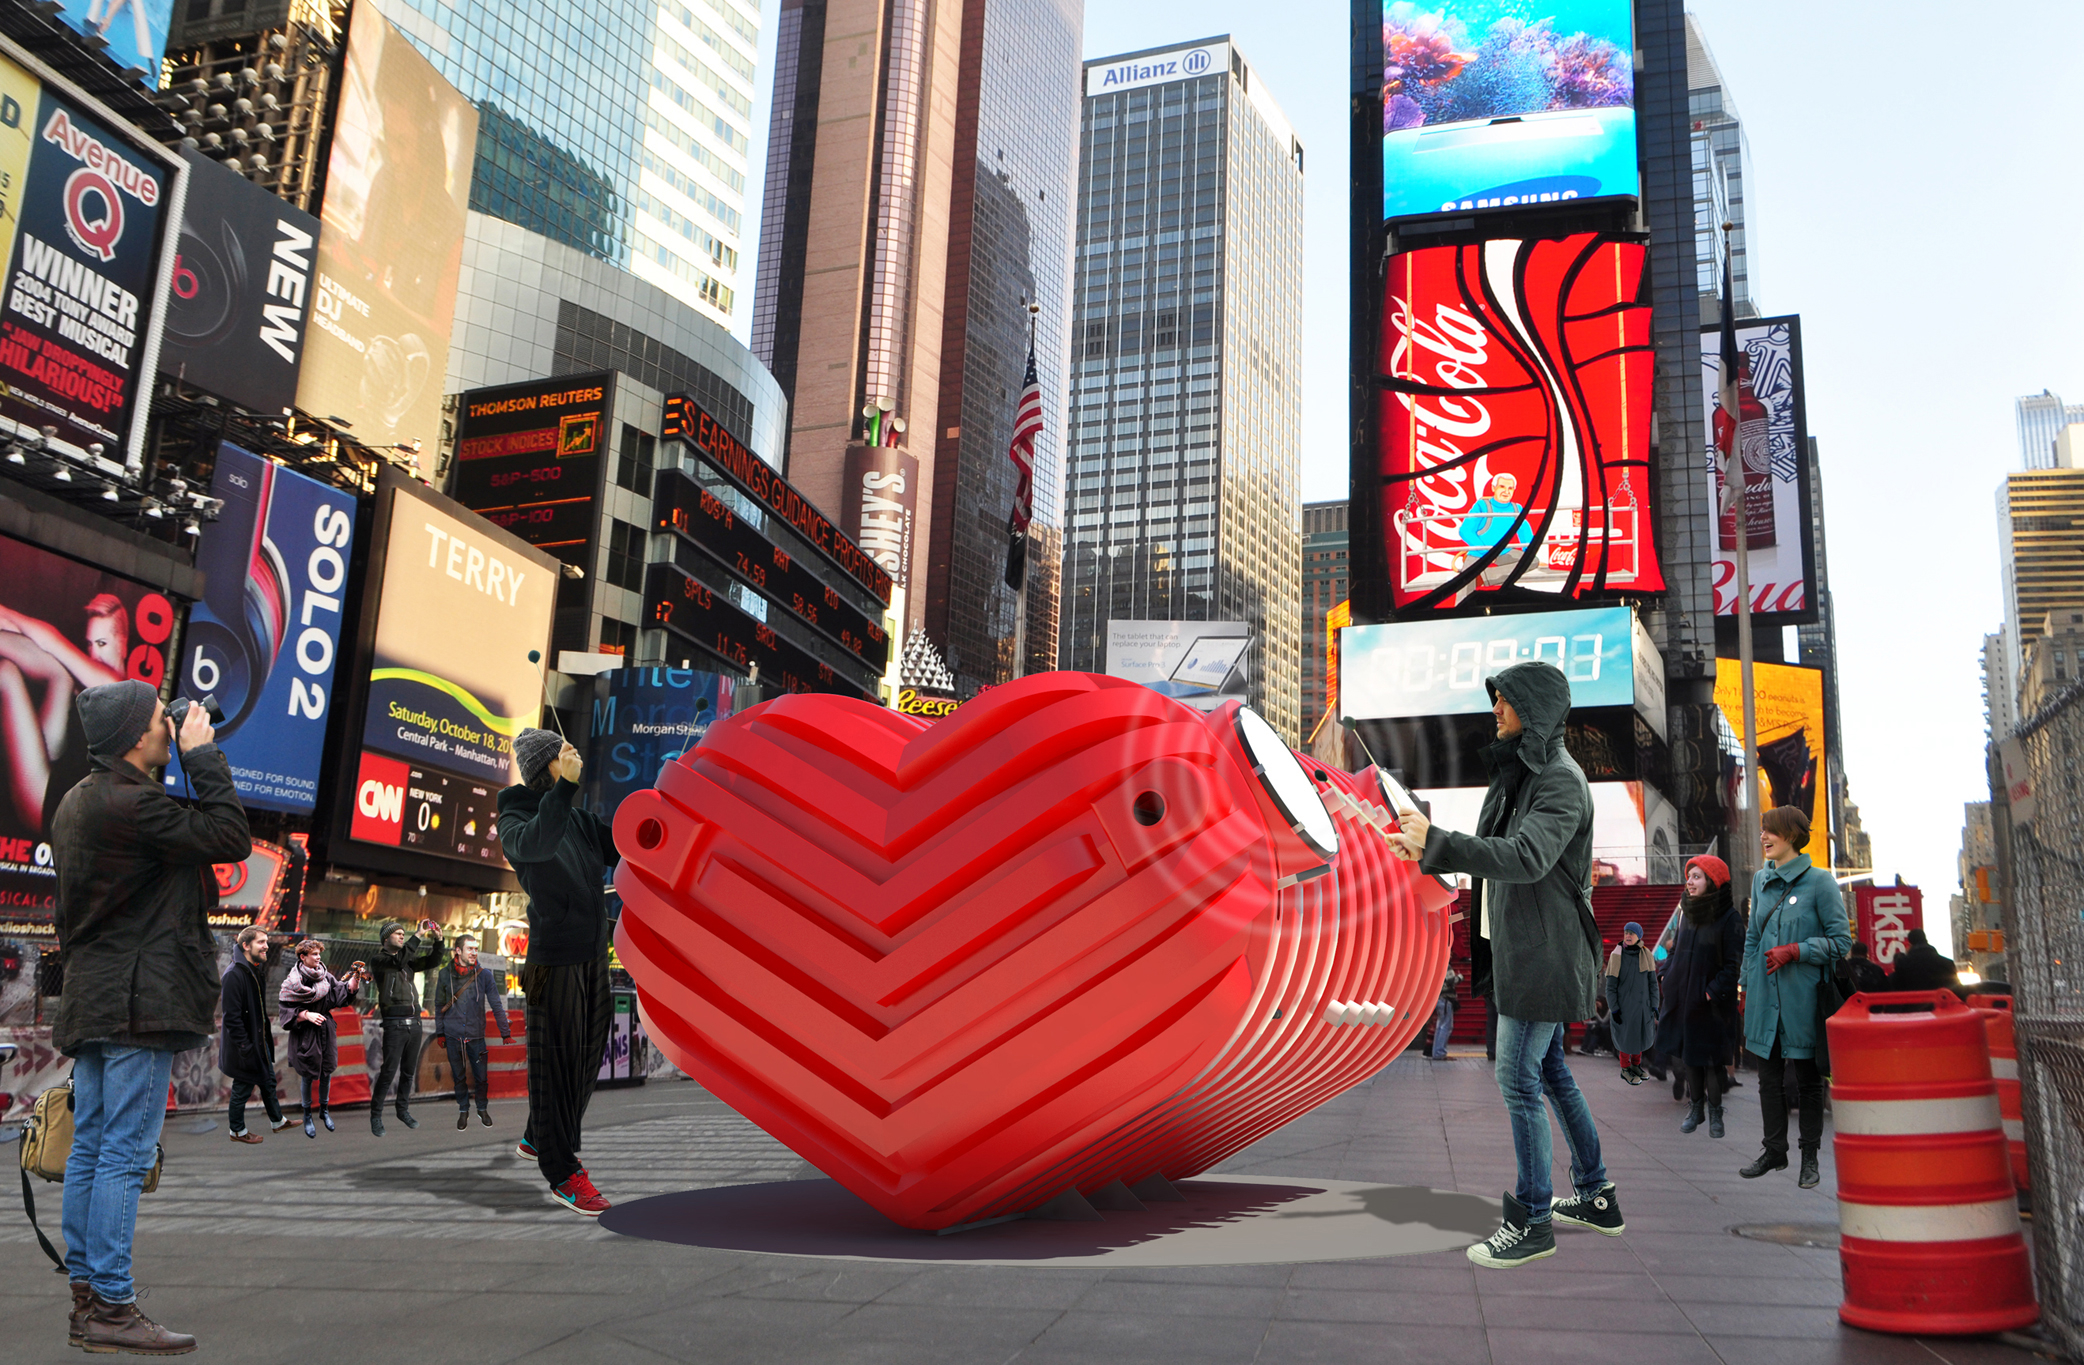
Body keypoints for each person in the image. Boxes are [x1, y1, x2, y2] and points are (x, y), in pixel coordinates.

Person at [1386, 660, 1618, 1267]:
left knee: (1518, 1077)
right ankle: (1594, 1195)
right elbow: (1496, 854)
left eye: (1505, 701)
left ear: (1534, 709)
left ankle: (1533, 1221)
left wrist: (1437, 840)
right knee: (1550, 1076)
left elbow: (1528, 856)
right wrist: (1427, 845)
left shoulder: (1560, 780)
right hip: (1526, 949)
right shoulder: (1520, 776)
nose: (1495, 710)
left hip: (1546, 955)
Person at [50, 678, 250, 1354]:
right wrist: (201, 755)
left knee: (94, 1142)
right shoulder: (135, 804)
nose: (171, 724)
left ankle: (88, 1299)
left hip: (98, 996)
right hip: (141, 1000)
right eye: (160, 719)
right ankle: (111, 1302)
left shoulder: (80, 800)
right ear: (138, 735)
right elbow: (230, 835)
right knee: (124, 1153)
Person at [497, 728, 620, 1216]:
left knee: (589, 1055)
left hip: (593, 954)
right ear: (544, 767)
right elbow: (537, 846)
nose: (574, 752)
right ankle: (562, 1171)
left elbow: (626, 844)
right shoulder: (517, 815)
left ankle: (537, 1133)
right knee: (556, 1065)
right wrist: (565, 790)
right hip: (551, 961)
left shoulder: (582, 820)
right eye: (562, 751)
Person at [1739, 806, 1852, 1189]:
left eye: (1770, 831)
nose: (1763, 837)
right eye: (1762, 831)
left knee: (1807, 1081)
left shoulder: (1820, 883)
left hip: (1803, 998)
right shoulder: (1760, 881)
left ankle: (1809, 1158)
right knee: (1767, 1078)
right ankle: (1774, 1151)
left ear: (1792, 835)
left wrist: (1797, 951)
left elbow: (1841, 942)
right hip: (1763, 995)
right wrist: (1747, 981)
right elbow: (1753, 937)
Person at [1655, 856, 1745, 1139]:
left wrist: (1710, 992)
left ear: (1713, 881)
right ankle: (1695, 1109)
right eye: (1689, 876)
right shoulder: (1686, 912)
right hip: (1683, 998)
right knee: (1691, 1057)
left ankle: (1715, 1112)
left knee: (1712, 1062)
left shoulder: (1729, 917)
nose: (1690, 882)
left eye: (1697, 877)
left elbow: (1735, 964)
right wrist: (1665, 974)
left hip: (1711, 1004)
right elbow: (1673, 950)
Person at [279, 941, 367, 1137]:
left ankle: (324, 1111)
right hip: (305, 1031)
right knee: (308, 1073)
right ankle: (307, 1114)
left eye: (319, 954)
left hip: (325, 1029)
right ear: (303, 957)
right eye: (314, 954)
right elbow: (285, 1010)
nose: (319, 957)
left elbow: (341, 993)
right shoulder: (293, 981)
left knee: (326, 1070)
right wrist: (305, 1015)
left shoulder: (325, 976)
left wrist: (355, 979)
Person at [367, 917, 443, 1135]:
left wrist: (438, 941)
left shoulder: (407, 962)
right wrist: (417, 935)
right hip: (395, 1024)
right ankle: (376, 1116)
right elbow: (397, 962)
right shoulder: (380, 961)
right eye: (397, 933)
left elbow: (432, 961)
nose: (402, 935)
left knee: (409, 1072)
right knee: (389, 1071)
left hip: (415, 1024)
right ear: (385, 938)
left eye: (404, 933)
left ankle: (403, 1110)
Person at [221, 925, 292, 1143]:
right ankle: (237, 1131)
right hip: (246, 1046)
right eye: (261, 942)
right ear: (245, 945)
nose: (266, 946)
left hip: (258, 1042)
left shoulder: (253, 970)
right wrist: (245, 1046)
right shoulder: (234, 975)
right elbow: (231, 1017)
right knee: (242, 1087)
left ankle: (277, 1121)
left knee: (268, 1081)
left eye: (266, 941)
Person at [433, 933, 512, 1128]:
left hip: (476, 1036)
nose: (474, 952)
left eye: (476, 949)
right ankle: (463, 1110)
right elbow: (438, 1005)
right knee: (458, 1075)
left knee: (481, 1076)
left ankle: (482, 1109)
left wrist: (505, 1032)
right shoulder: (445, 974)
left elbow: (496, 1005)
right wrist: (440, 1032)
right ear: (458, 951)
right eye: (470, 948)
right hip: (453, 1035)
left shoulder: (484, 975)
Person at [1601, 922, 1659, 1084]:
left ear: (1638, 936)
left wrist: (1654, 1005)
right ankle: (1626, 1070)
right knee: (1625, 1039)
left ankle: (1635, 1066)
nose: (1628, 935)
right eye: (1626, 932)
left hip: (1643, 1006)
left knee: (1639, 1038)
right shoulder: (1616, 955)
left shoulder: (1646, 954)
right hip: (1625, 1007)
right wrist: (1615, 1009)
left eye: (1632, 933)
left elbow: (1652, 983)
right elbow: (1610, 987)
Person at [1886, 929, 1962, 996]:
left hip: (1913, 1009)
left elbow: (1896, 988)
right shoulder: (1947, 963)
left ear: (1910, 944)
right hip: (1941, 1009)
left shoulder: (1903, 964)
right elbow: (1957, 990)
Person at [1428, 963, 1463, 1060]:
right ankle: (1440, 1052)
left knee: (1440, 1026)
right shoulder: (1445, 965)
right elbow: (1451, 980)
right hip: (1445, 999)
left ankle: (1436, 1052)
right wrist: (1460, 977)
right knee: (1445, 1027)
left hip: (1437, 998)